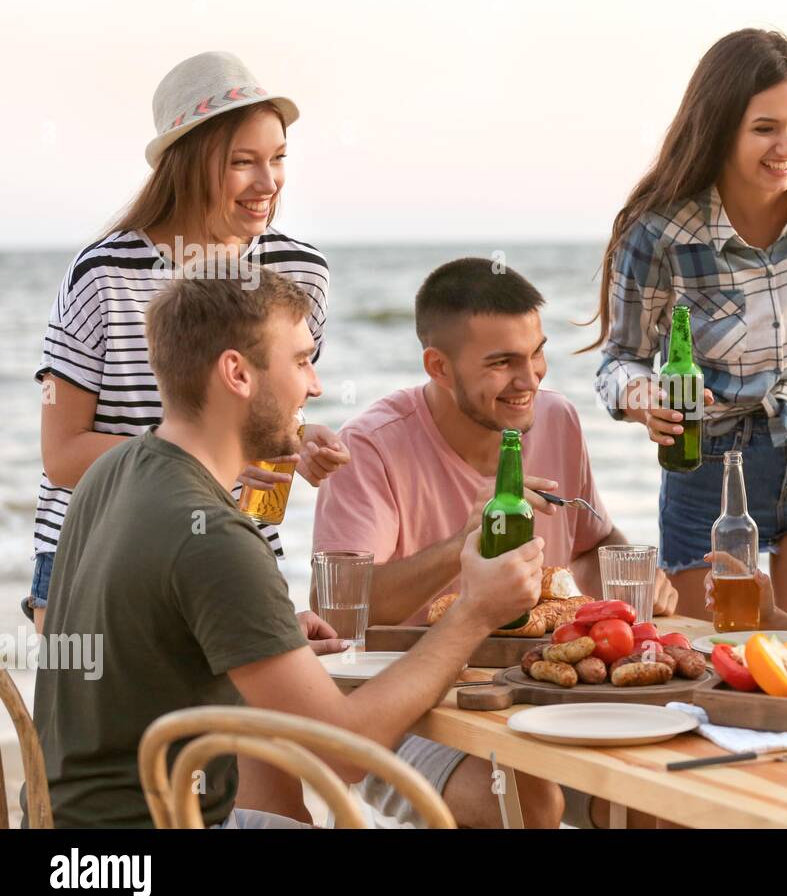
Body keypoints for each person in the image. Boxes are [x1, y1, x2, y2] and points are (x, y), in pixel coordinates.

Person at [29, 267, 544, 828]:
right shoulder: (215, 537)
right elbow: (345, 752)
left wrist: (256, 634)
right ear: (237, 373)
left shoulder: (116, 468)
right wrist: (474, 613)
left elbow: (141, 636)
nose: (315, 386)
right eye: (301, 361)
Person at [312, 256, 677, 828]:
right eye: (503, 363)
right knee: (525, 804)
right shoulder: (371, 447)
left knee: (658, 798)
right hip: (409, 709)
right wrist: (464, 541)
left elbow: (592, 541)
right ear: (439, 366)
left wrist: (633, 575)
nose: (530, 380)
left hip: (535, 686)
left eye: (536, 354)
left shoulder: (556, 418)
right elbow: (342, 611)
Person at [26, 51, 348, 634]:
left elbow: (265, 417)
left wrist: (299, 441)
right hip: (102, 550)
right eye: (242, 162)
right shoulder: (104, 274)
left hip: (234, 549)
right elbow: (64, 455)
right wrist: (208, 462)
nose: (268, 183)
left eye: (278, 158)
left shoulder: (300, 271)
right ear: (189, 164)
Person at [587, 28, 787, 627]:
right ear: (720, 127)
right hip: (708, 464)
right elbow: (620, 358)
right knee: (710, 657)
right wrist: (641, 396)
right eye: (765, 128)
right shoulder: (660, 230)